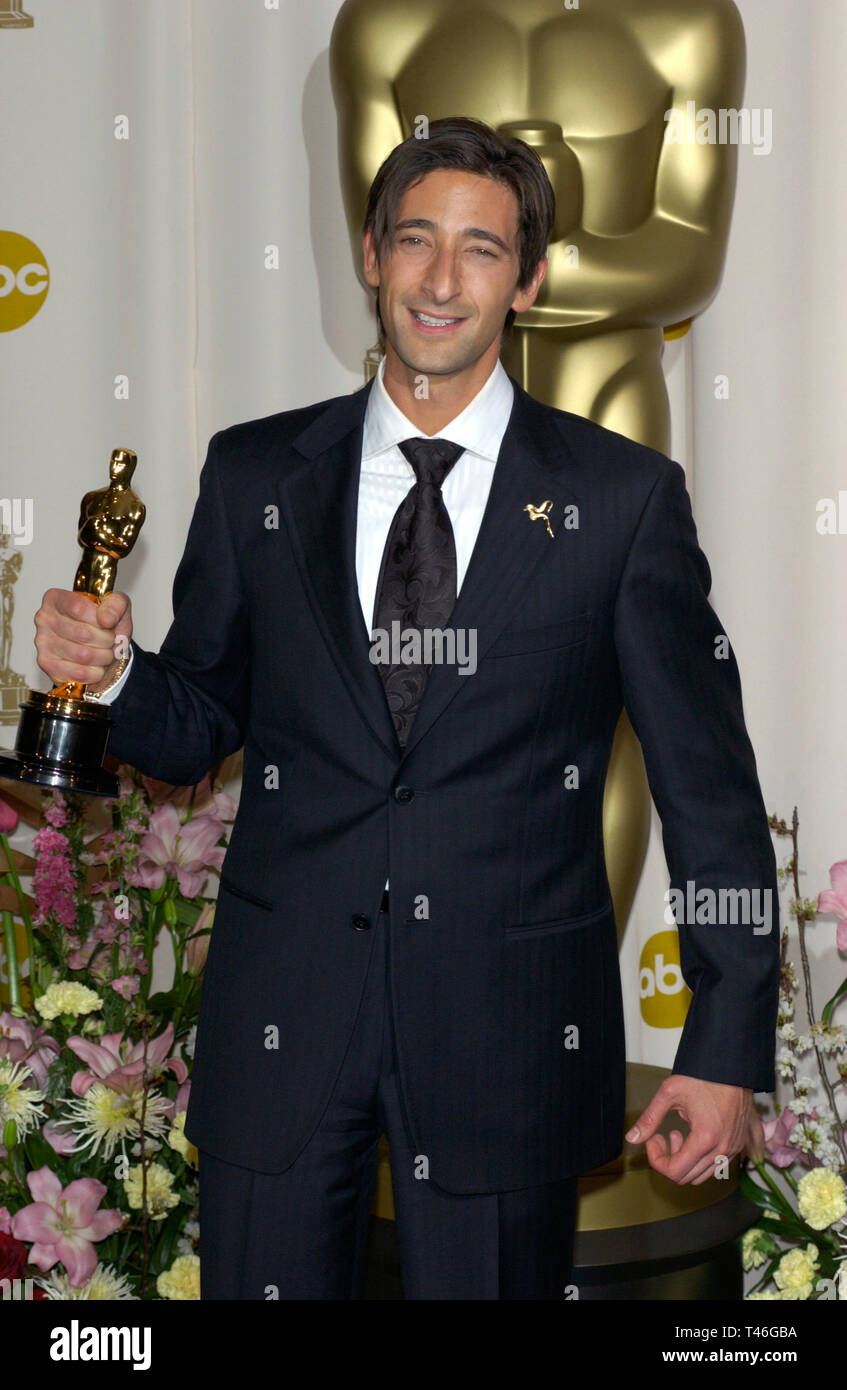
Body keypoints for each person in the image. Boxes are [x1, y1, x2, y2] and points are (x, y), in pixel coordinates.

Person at [32, 117, 779, 1300]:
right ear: (371, 254)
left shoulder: (621, 501)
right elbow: (198, 725)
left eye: (482, 250)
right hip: (284, 1026)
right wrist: (117, 675)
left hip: (509, 1035)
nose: (442, 280)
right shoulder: (254, 474)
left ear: (526, 280)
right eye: (416, 240)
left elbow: (709, 787)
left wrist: (726, 1047)